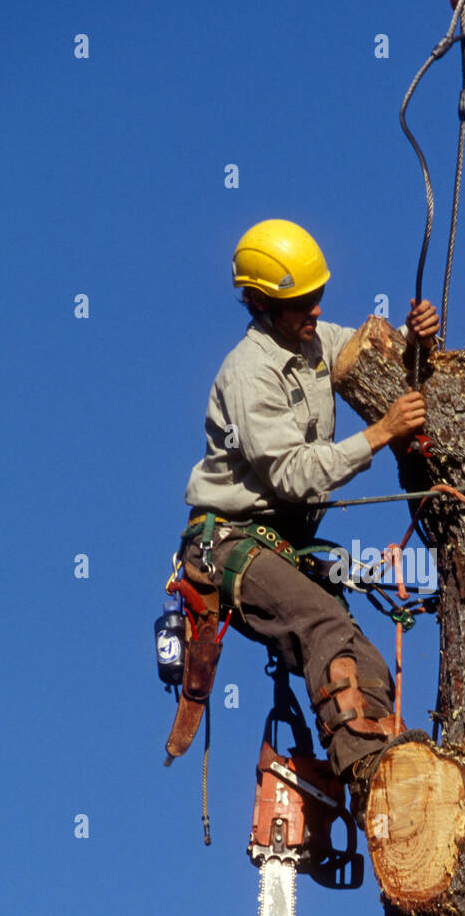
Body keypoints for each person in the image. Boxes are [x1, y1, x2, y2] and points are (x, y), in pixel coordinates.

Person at [176, 218, 440, 821]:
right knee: (322, 625)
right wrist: (380, 435)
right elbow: (291, 475)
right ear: (263, 303)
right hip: (228, 541)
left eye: (318, 297)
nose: (316, 311)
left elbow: (370, 357)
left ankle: (395, 769)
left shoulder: (317, 342)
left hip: (282, 545)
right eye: (300, 304)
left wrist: (415, 340)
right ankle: (375, 781)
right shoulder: (249, 372)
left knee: (362, 654)